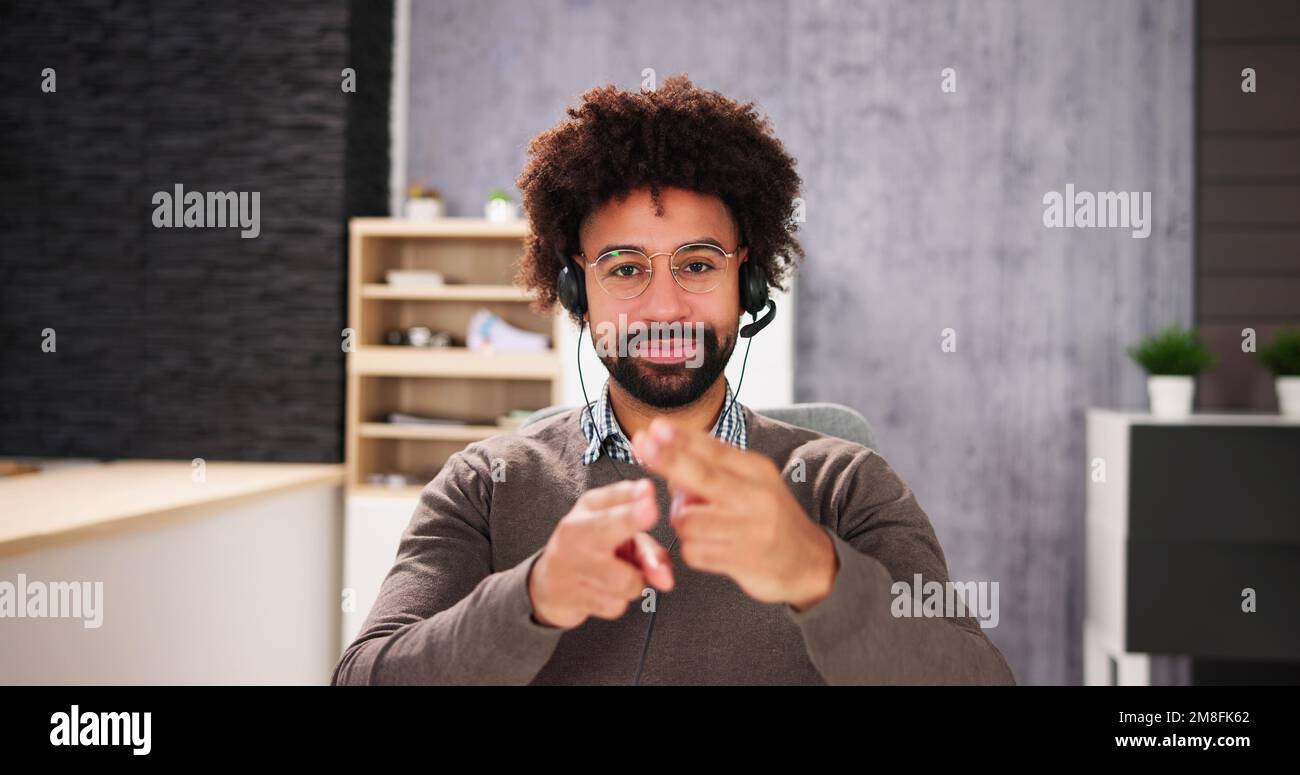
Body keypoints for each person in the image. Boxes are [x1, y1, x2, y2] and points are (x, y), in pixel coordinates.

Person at [332, 75, 1015, 685]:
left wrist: (821, 577)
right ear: (577, 289)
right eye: (626, 268)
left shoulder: (847, 485)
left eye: (696, 264)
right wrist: (531, 598)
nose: (664, 307)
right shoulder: (484, 485)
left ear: (746, 280)